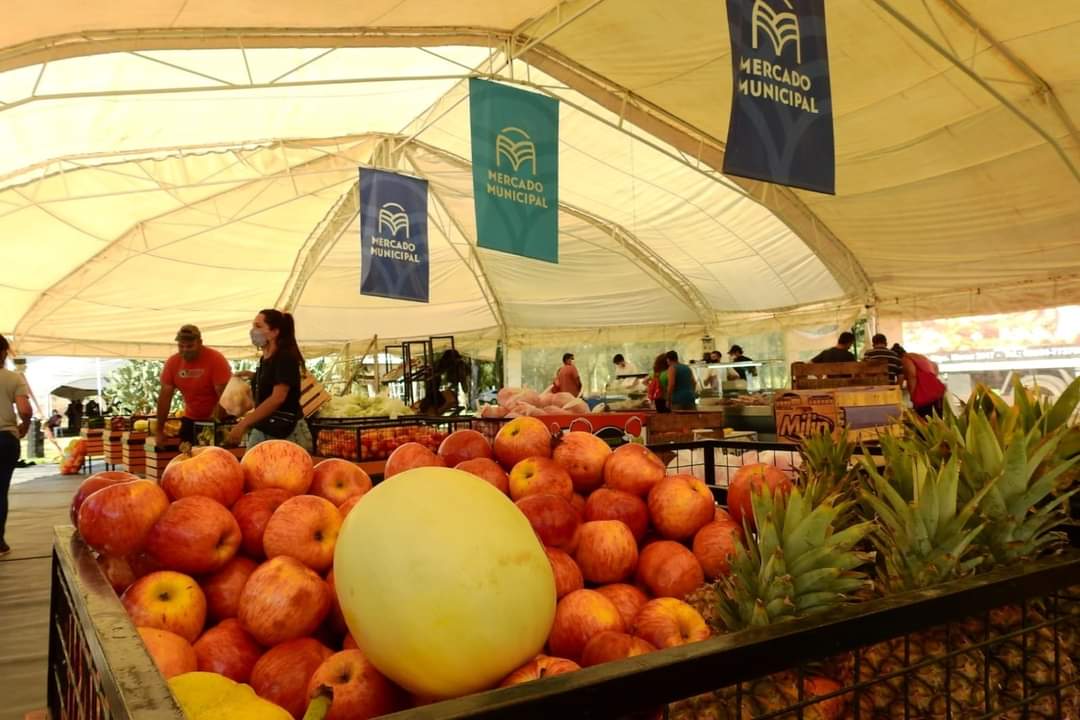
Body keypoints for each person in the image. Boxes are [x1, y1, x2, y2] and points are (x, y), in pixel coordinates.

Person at [225, 310, 312, 451]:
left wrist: (244, 424)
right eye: (253, 326)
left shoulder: (285, 358)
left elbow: (278, 397)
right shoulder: (264, 359)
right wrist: (252, 376)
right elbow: (272, 380)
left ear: (274, 332)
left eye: (258, 326)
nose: (253, 331)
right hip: (265, 427)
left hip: (287, 432)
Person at [156, 324, 233, 447]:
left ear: (200, 343)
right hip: (191, 418)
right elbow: (165, 397)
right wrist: (159, 430)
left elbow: (224, 396)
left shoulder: (216, 359)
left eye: (190, 346)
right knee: (186, 458)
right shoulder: (172, 363)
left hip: (219, 418)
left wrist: (212, 424)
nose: (185, 350)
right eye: (181, 346)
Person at [0, 334, 33, 557]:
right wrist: (25, 425)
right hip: (4, 440)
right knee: (0, 491)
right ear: (3, 353)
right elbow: (24, 410)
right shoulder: (13, 378)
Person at [894, 345, 947, 419]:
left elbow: (912, 376)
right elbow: (935, 366)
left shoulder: (905, 359)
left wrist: (913, 397)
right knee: (937, 420)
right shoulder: (919, 356)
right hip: (937, 390)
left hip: (924, 394)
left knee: (924, 422)